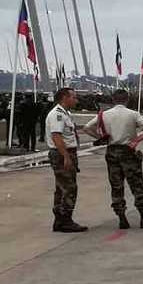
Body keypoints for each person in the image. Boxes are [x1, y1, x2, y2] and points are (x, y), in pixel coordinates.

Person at [82, 89, 143, 229]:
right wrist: (136, 140)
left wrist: (100, 138)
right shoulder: (133, 114)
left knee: (116, 186)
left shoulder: (103, 115)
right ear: (127, 99)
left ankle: (122, 218)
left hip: (111, 151)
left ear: (112, 99)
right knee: (137, 185)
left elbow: (87, 128)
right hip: (128, 150)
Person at [46, 88, 86, 233]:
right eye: (74, 97)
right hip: (62, 154)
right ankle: (66, 220)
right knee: (69, 188)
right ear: (65, 98)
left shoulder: (65, 113)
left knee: (61, 188)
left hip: (66, 153)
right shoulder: (57, 115)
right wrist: (66, 157)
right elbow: (56, 136)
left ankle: (59, 221)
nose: (76, 100)